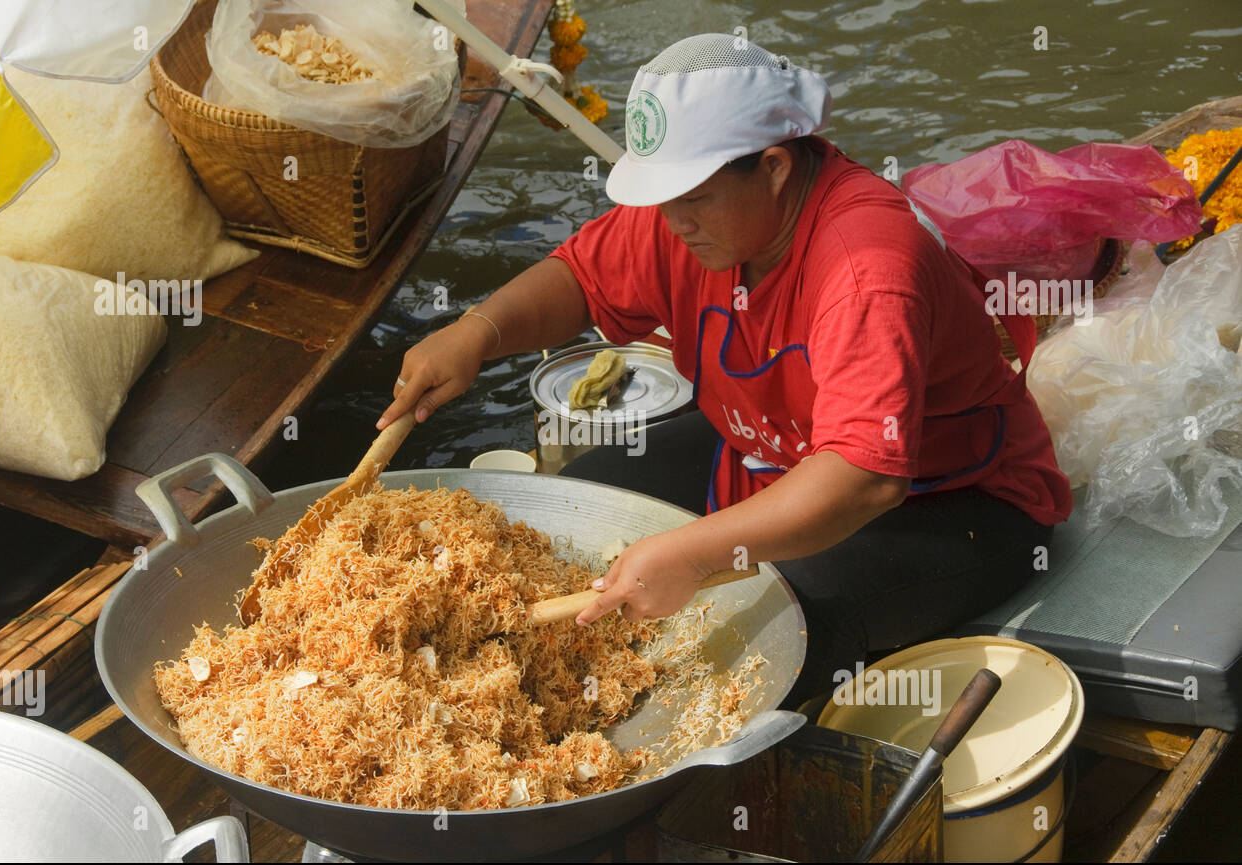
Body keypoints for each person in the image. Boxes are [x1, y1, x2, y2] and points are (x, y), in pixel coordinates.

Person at [379, 34, 1072, 704]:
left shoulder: (866, 265)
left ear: (774, 167)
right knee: (580, 505)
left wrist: (694, 553)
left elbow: (863, 479)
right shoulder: (690, 216)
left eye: (693, 197)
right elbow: (584, 280)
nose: (674, 221)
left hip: (949, 499)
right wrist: (477, 332)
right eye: (663, 196)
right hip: (768, 448)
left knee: (778, 615)